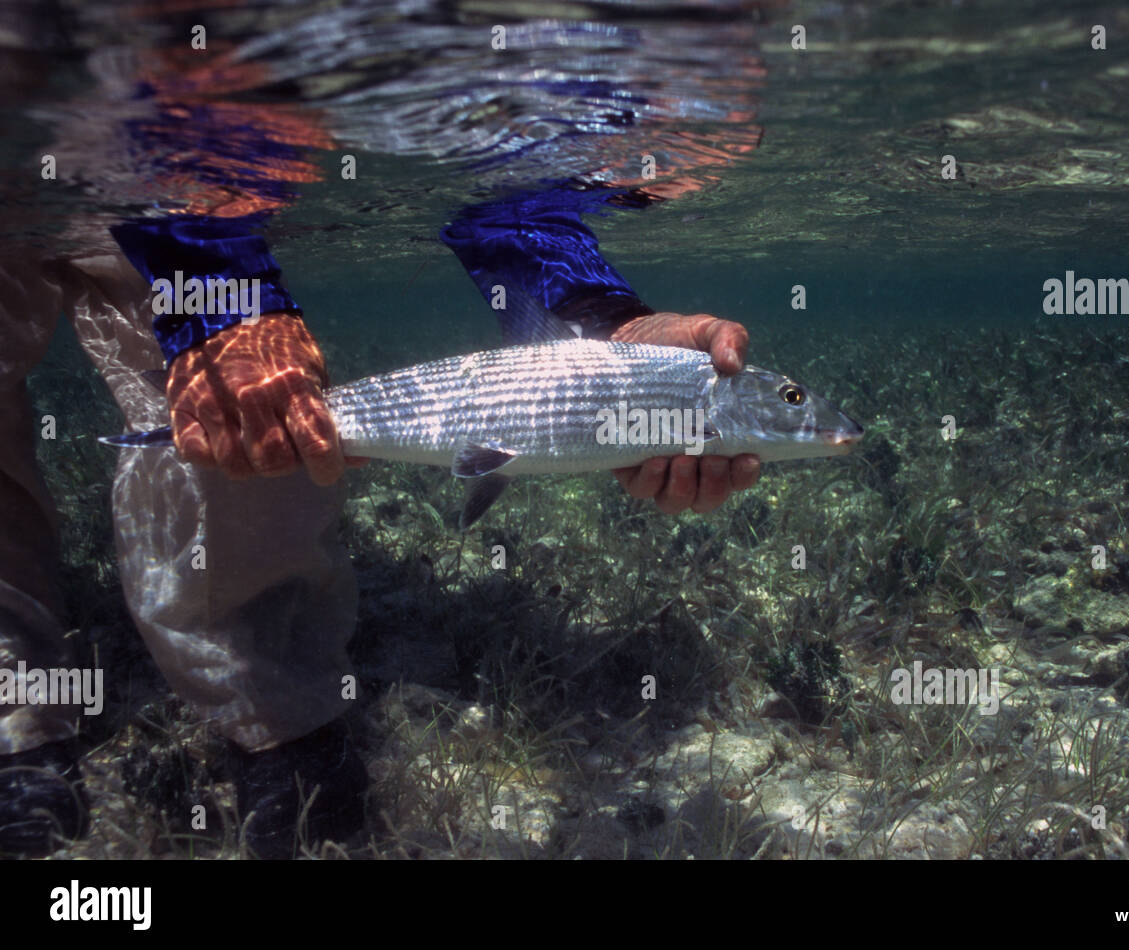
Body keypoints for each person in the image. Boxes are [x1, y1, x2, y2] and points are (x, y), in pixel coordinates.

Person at [0, 0, 767, 858]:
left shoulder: (518, 65)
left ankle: (272, 708)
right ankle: (12, 711)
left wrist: (609, 332)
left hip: (161, 145)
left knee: (245, 424)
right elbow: (162, 58)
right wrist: (228, 287)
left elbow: (508, 208)